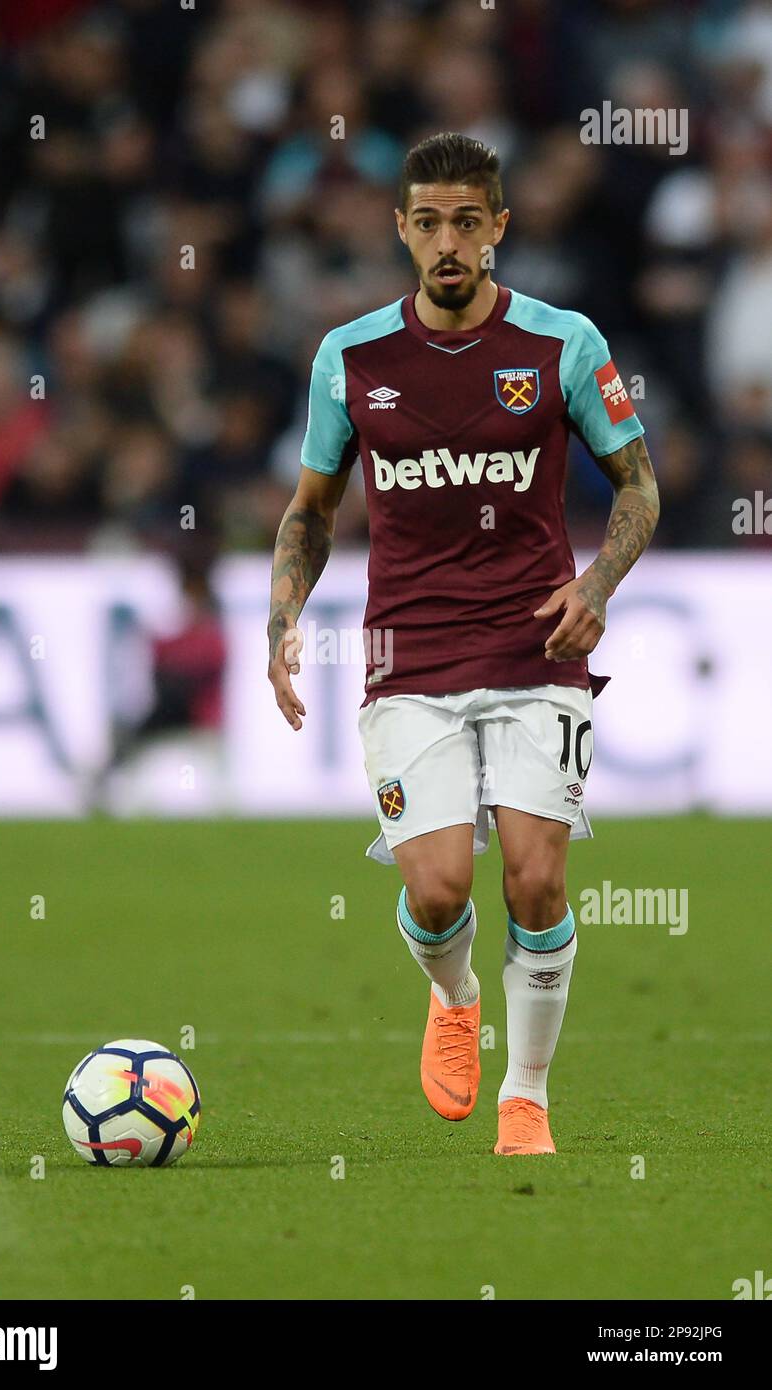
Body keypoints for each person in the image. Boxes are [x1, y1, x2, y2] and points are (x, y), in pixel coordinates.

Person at [266, 133, 659, 1155]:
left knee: (534, 876)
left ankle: (523, 1094)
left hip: (536, 643)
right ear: (399, 228)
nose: (448, 242)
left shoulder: (560, 344)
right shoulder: (348, 358)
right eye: (428, 222)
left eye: (466, 222)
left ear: (498, 229)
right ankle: (453, 996)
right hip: (409, 656)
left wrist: (596, 584)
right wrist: (281, 622)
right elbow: (309, 509)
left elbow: (637, 484)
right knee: (436, 888)